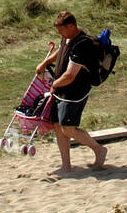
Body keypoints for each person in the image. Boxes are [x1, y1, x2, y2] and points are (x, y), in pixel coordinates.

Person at [35, 12, 107, 173]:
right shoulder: (68, 37)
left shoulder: (82, 45)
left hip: (75, 92)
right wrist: (45, 62)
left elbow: (70, 75)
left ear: (71, 26)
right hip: (61, 89)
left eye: (61, 30)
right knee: (57, 125)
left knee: (68, 128)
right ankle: (66, 165)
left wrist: (54, 85)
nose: (59, 34)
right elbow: (62, 50)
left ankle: (98, 150)